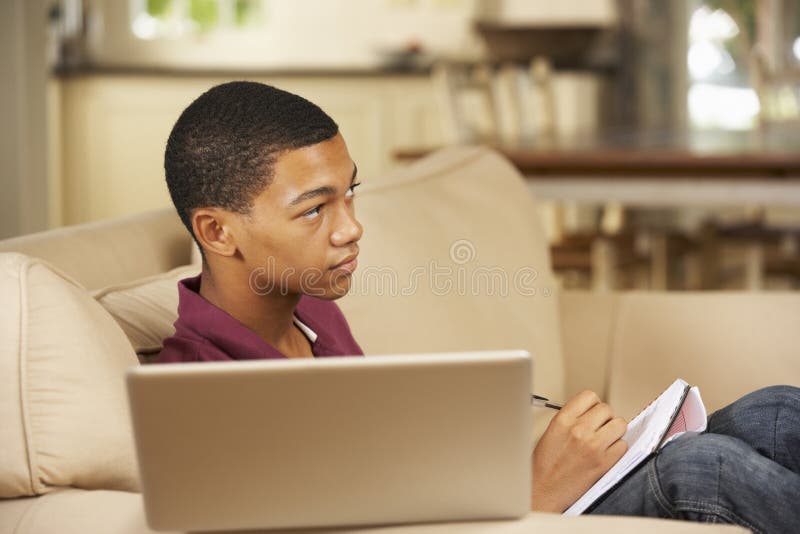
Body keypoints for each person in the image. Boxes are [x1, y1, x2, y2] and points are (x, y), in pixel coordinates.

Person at [158, 81, 800, 533]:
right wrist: (535, 490)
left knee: (773, 410)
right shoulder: (201, 389)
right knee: (703, 468)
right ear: (217, 232)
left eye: (350, 195)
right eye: (315, 208)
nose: (350, 228)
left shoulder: (312, 312)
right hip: (505, 521)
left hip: (479, 506)